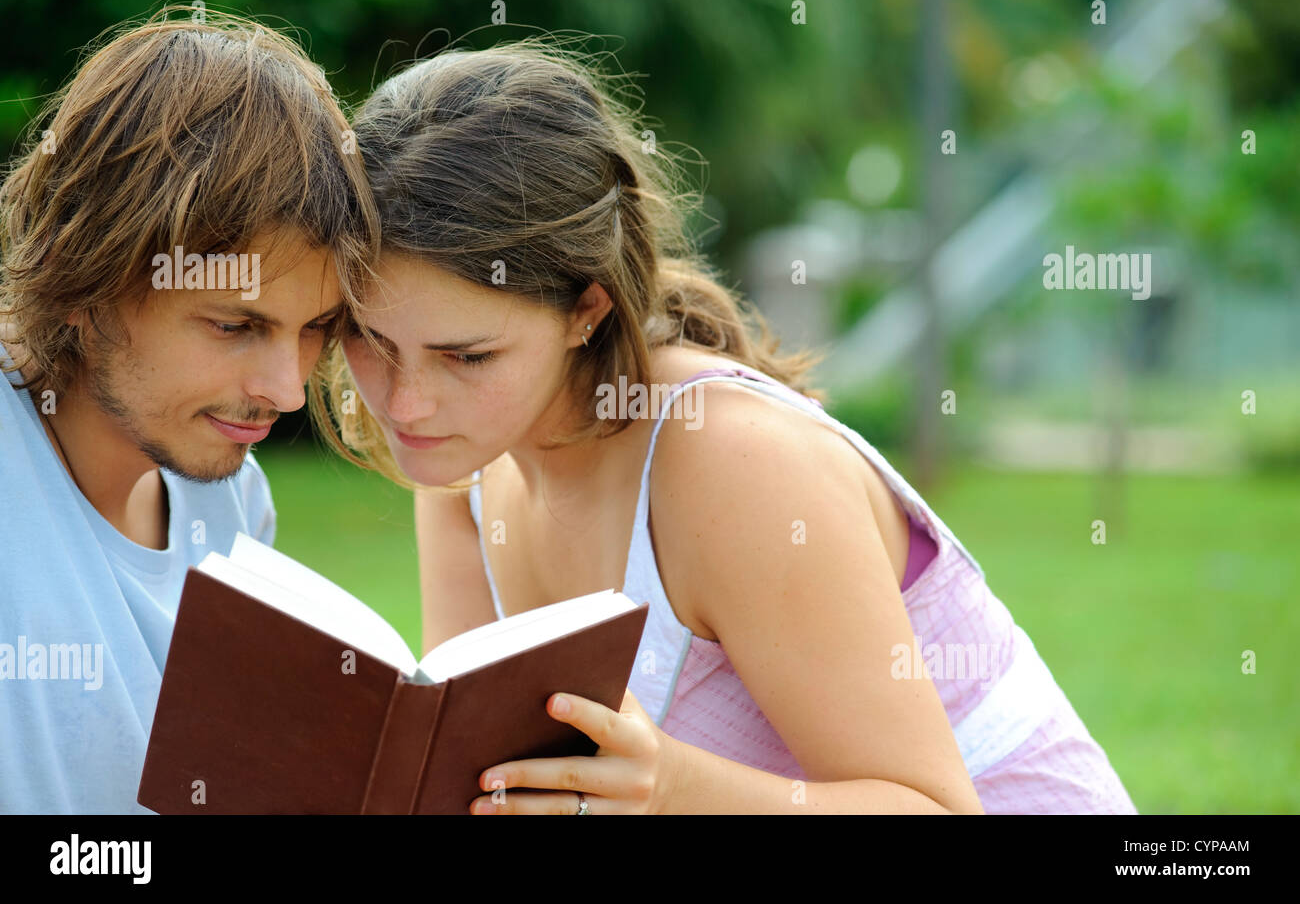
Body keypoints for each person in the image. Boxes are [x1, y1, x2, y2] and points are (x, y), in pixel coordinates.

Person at [313, 41, 1138, 814]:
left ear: (586, 310)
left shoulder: (729, 460)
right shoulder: (464, 467)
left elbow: (936, 808)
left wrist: (671, 785)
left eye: (468, 357)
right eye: (373, 340)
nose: (406, 401)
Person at [0, 10, 379, 813]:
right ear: (85, 280)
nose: (285, 389)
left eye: (315, 330)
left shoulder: (231, 502)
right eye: (236, 325)